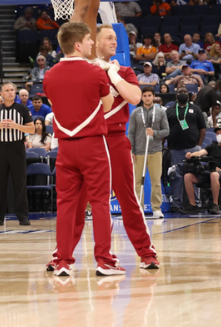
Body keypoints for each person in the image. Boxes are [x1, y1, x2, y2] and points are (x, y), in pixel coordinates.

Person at [67, 26, 159, 267]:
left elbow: (135, 98)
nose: (114, 41)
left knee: (127, 197)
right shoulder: (82, 71)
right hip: (90, 139)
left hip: (116, 139)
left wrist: (113, 75)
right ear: (93, 43)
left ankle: (146, 252)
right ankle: (62, 255)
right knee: (78, 202)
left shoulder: (125, 70)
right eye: (109, 38)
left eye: (116, 38)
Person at [45, 22, 122, 277]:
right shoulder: (96, 72)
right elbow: (109, 105)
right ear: (78, 44)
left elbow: (55, 103)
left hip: (65, 147)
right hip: (93, 145)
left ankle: (63, 262)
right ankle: (103, 261)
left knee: (65, 205)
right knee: (100, 202)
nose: (92, 43)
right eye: (89, 39)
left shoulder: (50, 75)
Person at [0, 81, 33, 226]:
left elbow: (31, 130)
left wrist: (16, 126)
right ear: (2, 93)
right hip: (1, 148)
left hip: (17, 147)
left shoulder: (22, 109)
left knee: (20, 183)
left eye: (13, 90)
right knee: (0, 183)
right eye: (7, 90)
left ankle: (23, 216)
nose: (11, 92)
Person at [182, 126, 221, 213]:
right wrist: (191, 154)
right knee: (187, 176)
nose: (219, 135)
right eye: (217, 133)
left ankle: (215, 204)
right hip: (210, 172)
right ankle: (192, 205)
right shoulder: (212, 147)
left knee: (214, 174)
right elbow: (200, 153)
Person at [129, 87, 168, 218]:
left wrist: (154, 133)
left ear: (153, 96)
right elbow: (131, 133)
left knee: (156, 181)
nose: (147, 98)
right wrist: (132, 150)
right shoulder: (135, 113)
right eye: (144, 96)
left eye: (149, 95)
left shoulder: (160, 112)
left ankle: (156, 208)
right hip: (139, 152)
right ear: (141, 97)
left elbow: (166, 131)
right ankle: (137, 208)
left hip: (155, 151)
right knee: (138, 182)